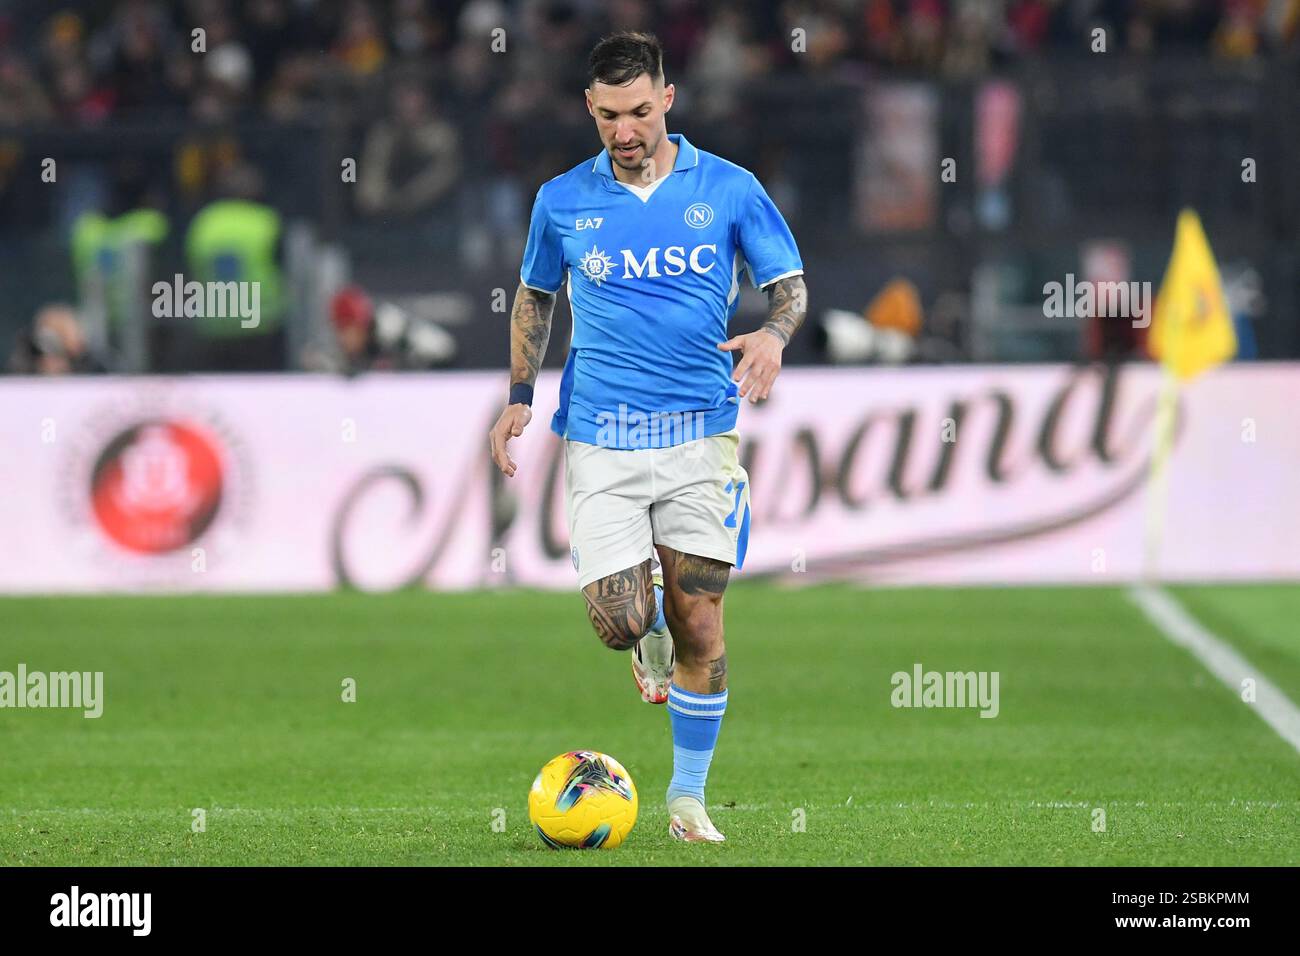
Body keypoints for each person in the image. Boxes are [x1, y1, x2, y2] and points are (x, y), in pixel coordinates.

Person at [487, 32, 806, 844]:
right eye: (605, 117)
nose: (623, 131)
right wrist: (520, 394)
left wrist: (772, 335)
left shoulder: (730, 189)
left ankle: (687, 799)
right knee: (621, 619)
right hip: (601, 433)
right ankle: (643, 631)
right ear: (588, 111)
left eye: (636, 112)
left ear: (667, 97)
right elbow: (533, 298)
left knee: (703, 619)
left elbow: (789, 288)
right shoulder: (561, 200)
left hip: (700, 434)